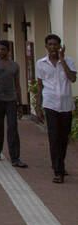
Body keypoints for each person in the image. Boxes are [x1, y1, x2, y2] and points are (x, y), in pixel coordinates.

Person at [34, 33, 77, 183]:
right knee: (54, 138)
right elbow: (40, 86)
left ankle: (60, 165)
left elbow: (72, 78)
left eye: (55, 45)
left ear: (60, 46)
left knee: (63, 138)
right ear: (46, 46)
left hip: (65, 106)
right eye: (50, 44)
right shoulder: (40, 63)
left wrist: (62, 60)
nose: (53, 47)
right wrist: (38, 107)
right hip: (50, 104)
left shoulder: (69, 61)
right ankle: (58, 171)